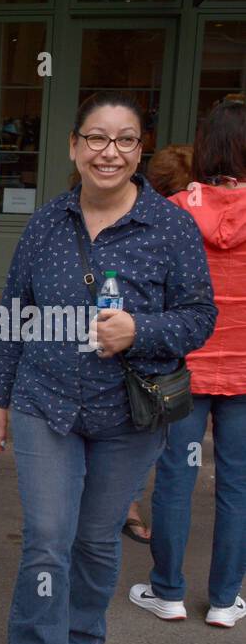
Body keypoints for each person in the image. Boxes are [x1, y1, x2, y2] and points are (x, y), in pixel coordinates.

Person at [0, 91, 217, 644]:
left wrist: (137, 331)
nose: (108, 151)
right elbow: (14, 313)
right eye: (95, 137)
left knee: (92, 539)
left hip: (128, 414)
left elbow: (200, 318)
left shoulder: (170, 227)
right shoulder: (46, 223)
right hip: (44, 402)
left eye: (124, 139)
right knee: (47, 539)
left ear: (141, 149)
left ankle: (82, 632)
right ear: (74, 147)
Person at [131, 100, 246, 629]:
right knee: (238, 485)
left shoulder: (174, 208)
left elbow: (152, 286)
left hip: (184, 363)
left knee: (176, 475)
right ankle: (225, 601)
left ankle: (169, 592)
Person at [119, 143, 195, 544]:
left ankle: (126, 505)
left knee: (152, 437)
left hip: (162, 350)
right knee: (167, 449)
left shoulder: (168, 224)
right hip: (189, 357)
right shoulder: (162, 225)